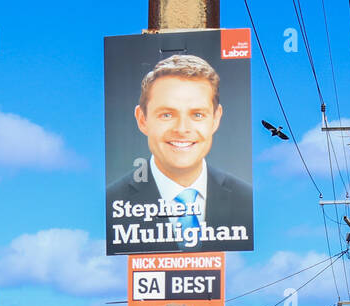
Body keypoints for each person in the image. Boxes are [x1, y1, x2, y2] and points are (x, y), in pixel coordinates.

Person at [106, 53, 253, 254]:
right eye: (167, 115)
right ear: (142, 119)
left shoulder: (247, 201)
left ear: (216, 119)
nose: (182, 129)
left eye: (197, 115)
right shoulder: (111, 203)